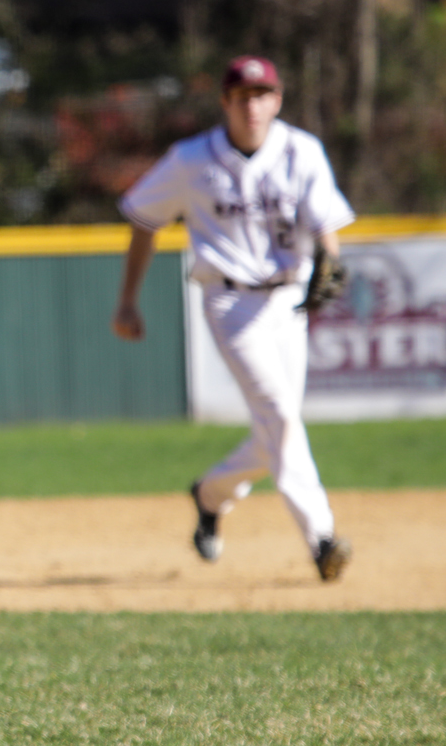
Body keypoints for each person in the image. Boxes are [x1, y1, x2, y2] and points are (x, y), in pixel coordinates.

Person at [111, 55, 354, 582]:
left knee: (277, 426)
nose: (253, 105)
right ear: (225, 102)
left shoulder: (300, 151)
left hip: (289, 302)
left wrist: (331, 258)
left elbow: (325, 218)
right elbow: (144, 219)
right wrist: (127, 300)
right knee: (280, 415)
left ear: (278, 99)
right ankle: (322, 538)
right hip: (230, 302)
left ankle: (211, 493)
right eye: (242, 96)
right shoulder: (191, 159)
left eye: (262, 94)